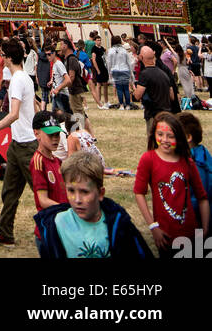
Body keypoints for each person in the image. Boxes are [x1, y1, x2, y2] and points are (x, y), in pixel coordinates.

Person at [35, 151, 151, 259]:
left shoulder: (118, 223)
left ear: (101, 193)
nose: (77, 200)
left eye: (85, 192)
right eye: (71, 191)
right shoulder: (55, 225)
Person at [0, 38, 37, 248]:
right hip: (18, 144)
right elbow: (32, 105)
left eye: (2, 55)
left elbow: (13, 113)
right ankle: (5, 234)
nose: (0, 59)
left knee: (41, 191)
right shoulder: (24, 77)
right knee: (10, 191)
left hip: (26, 146)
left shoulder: (17, 80)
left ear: (8, 58)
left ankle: (59, 229)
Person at [134, 111, 209, 257]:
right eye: (160, 134)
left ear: (179, 138)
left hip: (191, 234)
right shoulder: (148, 159)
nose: (164, 140)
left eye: (170, 136)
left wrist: (204, 229)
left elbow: (202, 197)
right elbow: (139, 193)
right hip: (166, 236)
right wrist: (153, 226)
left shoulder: (188, 162)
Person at [30, 112, 67, 220]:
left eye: (57, 134)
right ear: (37, 134)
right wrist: (68, 210)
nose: (55, 139)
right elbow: (43, 200)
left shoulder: (57, 161)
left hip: (62, 222)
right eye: (50, 135)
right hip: (49, 223)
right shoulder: (38, 162)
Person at [133, 44, 176, 134]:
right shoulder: (164, 73)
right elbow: (172, 96)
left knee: (153, 142)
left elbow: (137, 96)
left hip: (153, 115)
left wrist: (133, 89)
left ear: (141, 57)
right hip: (167, 114)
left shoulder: (144, 74)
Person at [180, 112, 212, 224]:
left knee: (198, 241)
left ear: (188, 137)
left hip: (199, 222)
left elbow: (197, 199)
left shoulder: (198, 164)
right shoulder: (202, 153)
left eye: (174, 135)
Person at [106, 36, 134, 111]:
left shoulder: (110, 51)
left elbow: (109, 63)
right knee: (126, 89)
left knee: (119, 89)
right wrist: (131, 73)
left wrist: (109, 73)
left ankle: (121, 105)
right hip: (125, 70)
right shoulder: (124, 50)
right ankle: (128, 105)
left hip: (115, 70)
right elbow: (128, 62)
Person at [89, 32, 109, 109]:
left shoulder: (102, 48)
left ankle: (106, 101)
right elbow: (94, 60)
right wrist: (97, 70)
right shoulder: (94, 49)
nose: (99, 41)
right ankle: (99, 101)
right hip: (98, 69)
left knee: (105, 85)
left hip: (104, 68)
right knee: (99, 85)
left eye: (100, 40)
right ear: (95, 41)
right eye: (97, 40)